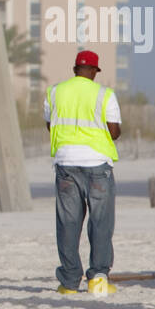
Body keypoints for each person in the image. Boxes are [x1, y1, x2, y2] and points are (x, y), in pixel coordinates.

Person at [44, 50, 122, 295]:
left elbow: (50, 124)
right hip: (97, 164)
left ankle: (68, 281)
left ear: (74, 68)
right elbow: (114, 131)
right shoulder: (104, 94)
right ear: (95, 72)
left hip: (66, 162)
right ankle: (98, 277)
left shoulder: (55, 92)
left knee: (68, 222)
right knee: (100, 222)